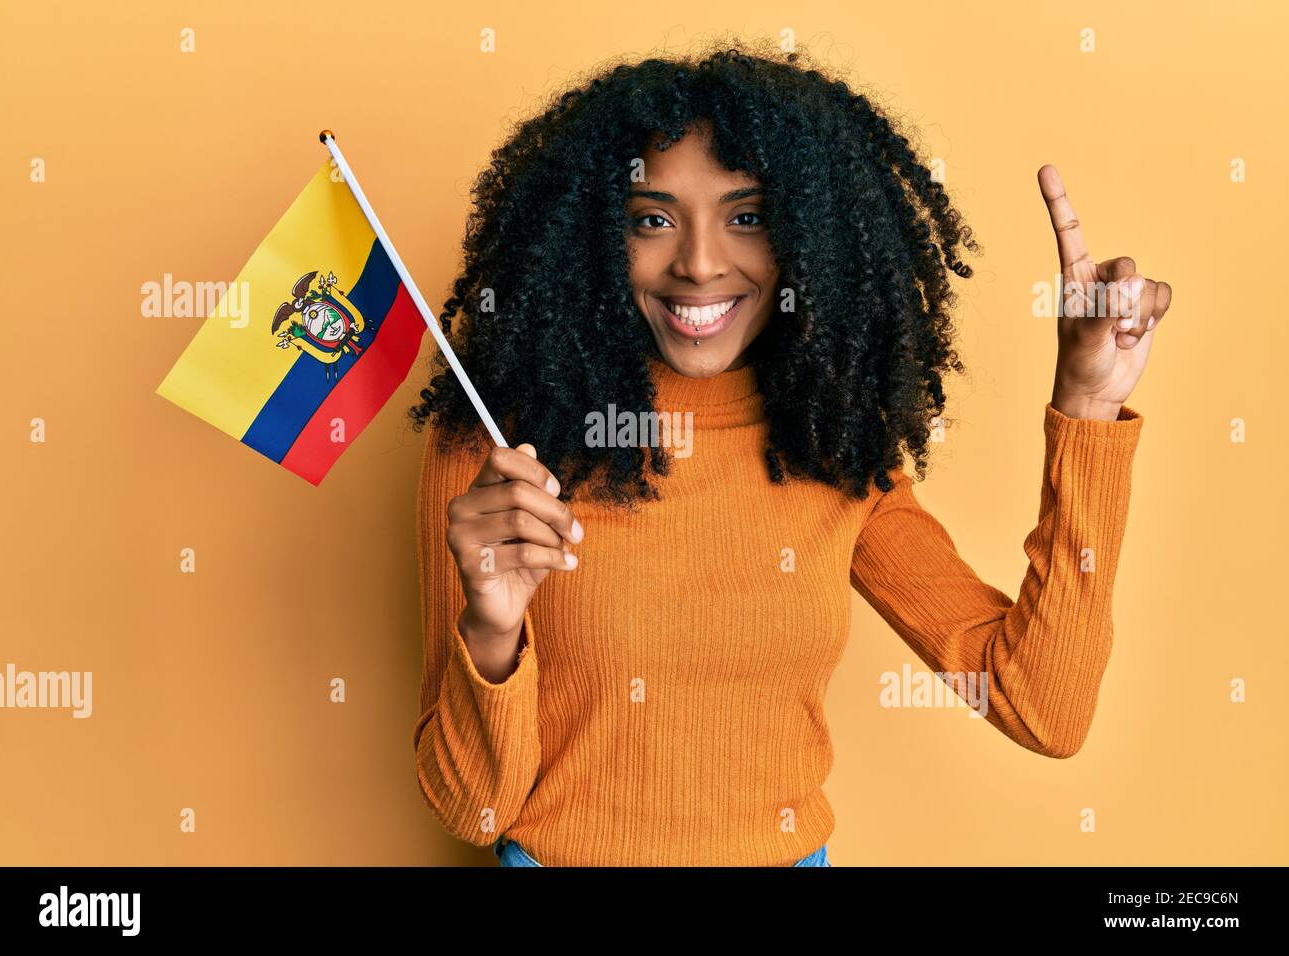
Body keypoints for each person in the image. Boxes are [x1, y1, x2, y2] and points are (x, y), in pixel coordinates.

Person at [407, 40, 1169, 867]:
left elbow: (1043, 708)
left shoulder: (830, 445)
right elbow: (474, 812)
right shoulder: (498, 455)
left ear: (811, 235)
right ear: (590, 237)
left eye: (748, 216)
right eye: (651, 219)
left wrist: (1087, 409)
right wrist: (492, 628)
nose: (700, 264)